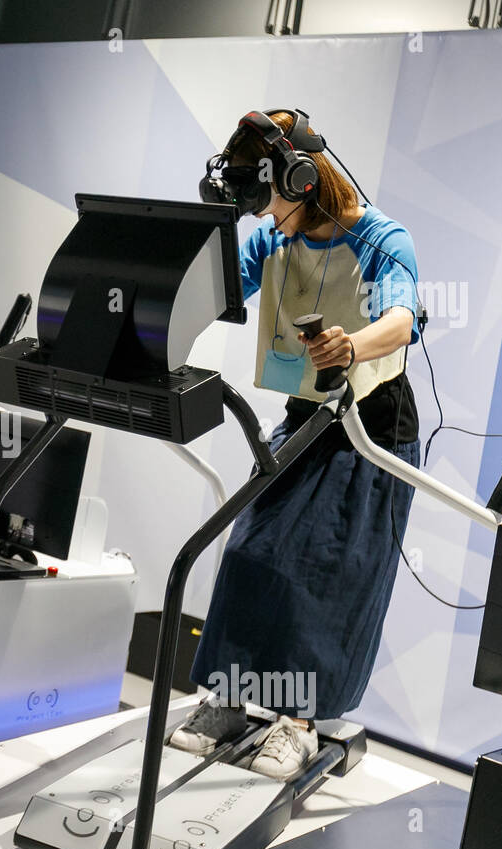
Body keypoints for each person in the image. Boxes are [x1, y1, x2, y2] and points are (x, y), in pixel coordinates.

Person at [172, 108, 422, 780]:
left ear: (302, 177)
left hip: (373, 430)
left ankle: (299, 724)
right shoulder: (273, 241)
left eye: (267, 199)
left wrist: (351, 343)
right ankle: (228, 701)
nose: (262, 216)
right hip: (306, 416)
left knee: (326, 576)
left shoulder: (381, 237)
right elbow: (211, 293)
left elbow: (402, 318)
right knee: (253, 550)